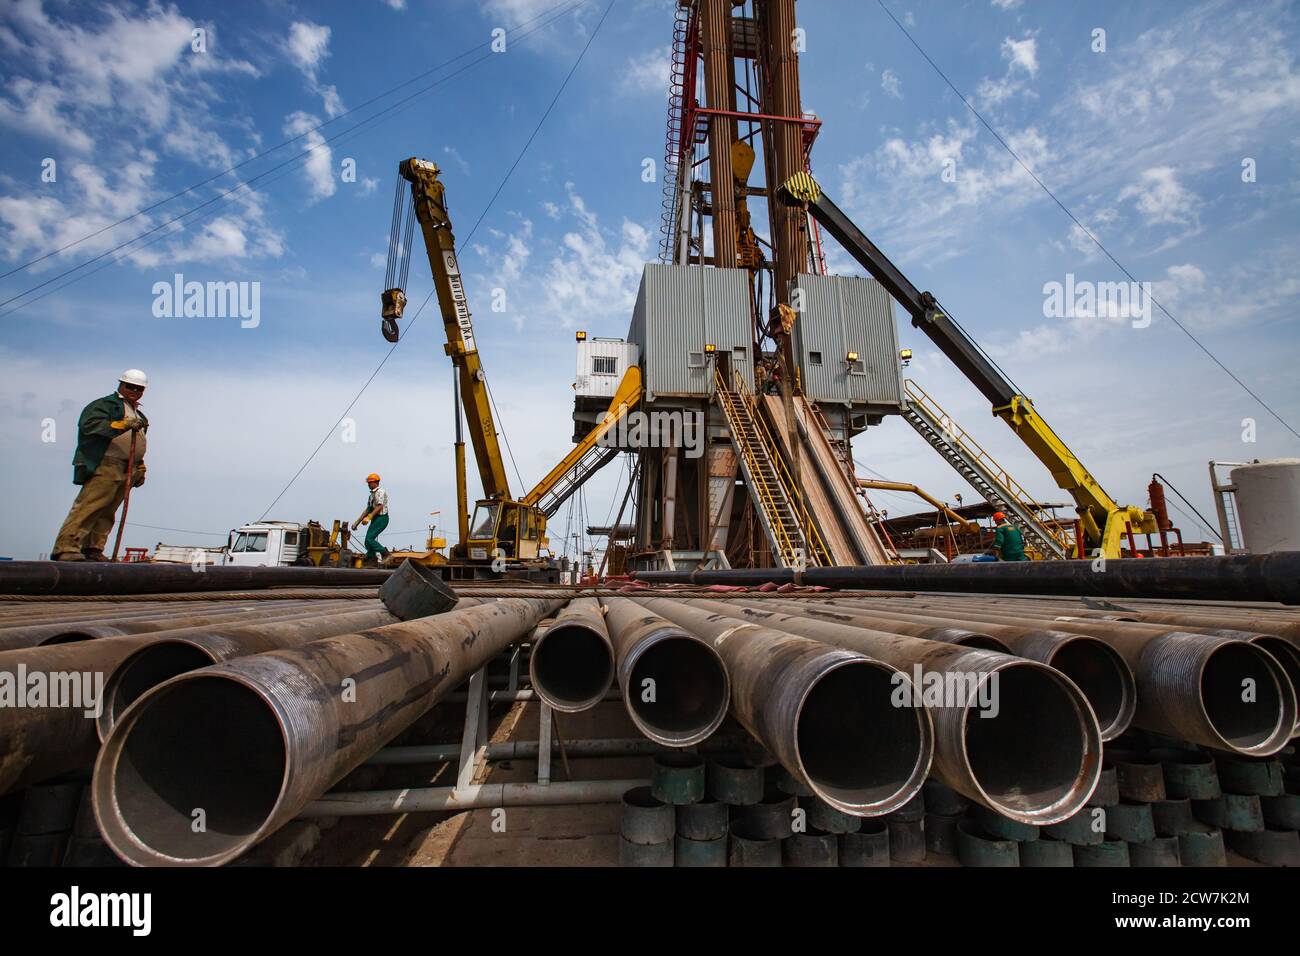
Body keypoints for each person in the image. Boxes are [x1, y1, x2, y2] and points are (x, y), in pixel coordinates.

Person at [52, 369, 150, 561]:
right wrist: (119, 425)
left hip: (128, 466)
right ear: (121, 385)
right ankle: (67, 547)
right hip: (106, 463)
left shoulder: (139, 415)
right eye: (130, 386)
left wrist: (140, 466)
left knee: (109, 510)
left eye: (139, 388)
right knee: (91, 505)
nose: (134, 391)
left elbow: (138, 441)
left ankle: (93, 548)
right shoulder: (105, 406)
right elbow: (89, 425)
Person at [355, 473, 390, 565]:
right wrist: (357, 522)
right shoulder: (371, 495)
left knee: (370, 539)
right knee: (367, 541)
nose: (368, 484)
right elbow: (368, 509)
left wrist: (370, 517)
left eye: (370, 482)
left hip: (382, 518)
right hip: (375, 518)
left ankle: (386, 554)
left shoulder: (380, 492)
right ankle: (371, 556)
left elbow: (380, 506)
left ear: (376, 482)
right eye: (368, 482)